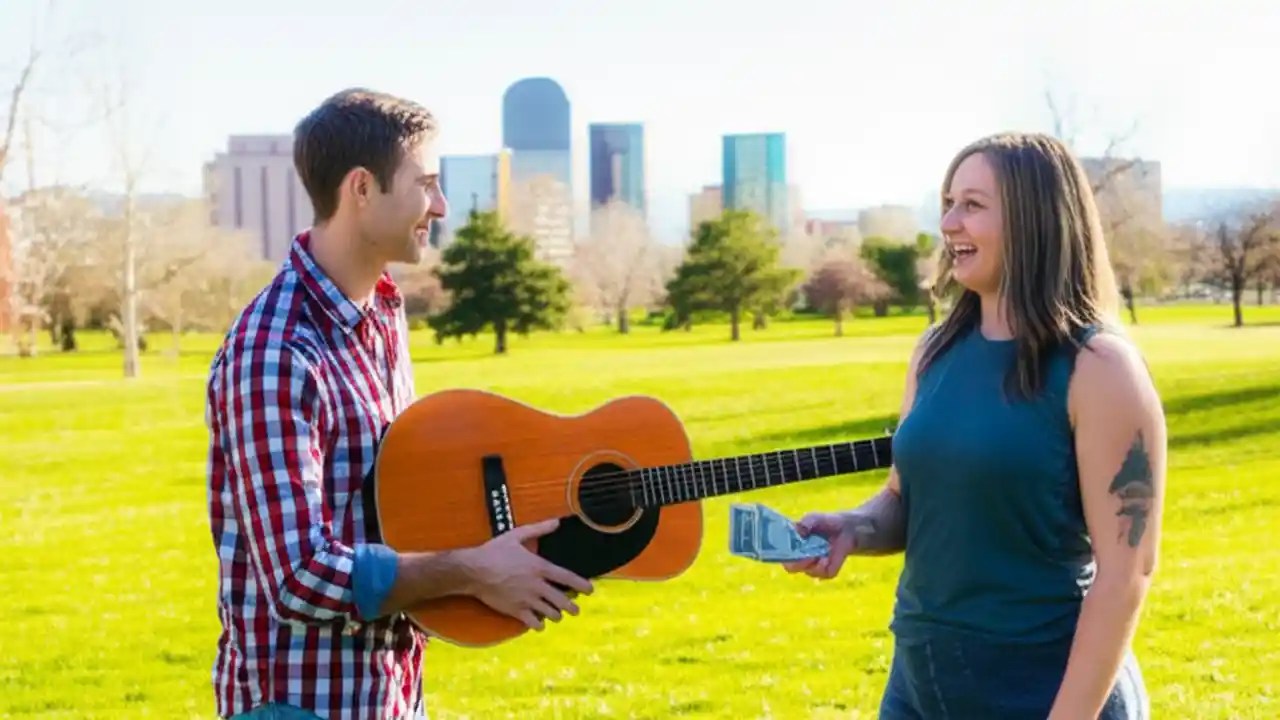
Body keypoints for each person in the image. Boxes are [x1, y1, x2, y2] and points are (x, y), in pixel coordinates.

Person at [204, 88, 593, 720]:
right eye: (427, 183)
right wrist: (470, 571)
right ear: (361, 188)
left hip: (389, 698)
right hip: (300, 707)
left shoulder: (383, 312)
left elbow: (396, 507)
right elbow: (300, 576)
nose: (439, 206)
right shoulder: (274, 353)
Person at [783, 132, 1164, 719]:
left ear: (1036, 220)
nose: (949, 224)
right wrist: (852, 528)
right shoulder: (934, 351)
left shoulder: (1100, 368)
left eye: (973, 205)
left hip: (1046, 689)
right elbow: (904, 499)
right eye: (948, 203)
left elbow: (1126, 573)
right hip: (920, 683)